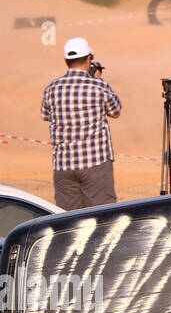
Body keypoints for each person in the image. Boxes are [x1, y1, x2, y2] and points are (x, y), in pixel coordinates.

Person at [40, 37, 122, 210]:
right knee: (103, 218)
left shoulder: (52, 88)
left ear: (66, 61)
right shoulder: (98, 85)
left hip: (63, 165)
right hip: (95, 163)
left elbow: (45, 115)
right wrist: (98, 78)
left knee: (68, 221)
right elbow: (116, 111)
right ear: (88, 59)